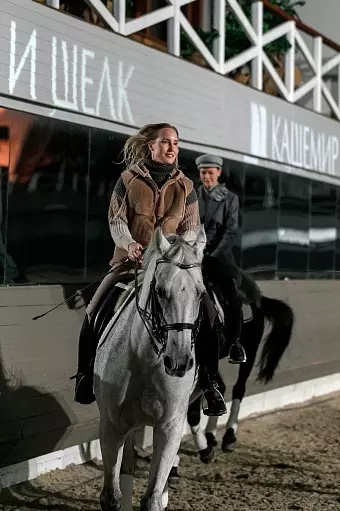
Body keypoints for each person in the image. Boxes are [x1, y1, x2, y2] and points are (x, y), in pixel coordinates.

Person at [72, 123, 227, 416]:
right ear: (150, 145)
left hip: (172, 265)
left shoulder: (187, 187)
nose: (172, 148)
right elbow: (116, 220)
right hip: (132, 263)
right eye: (166, 142)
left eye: (176, 143)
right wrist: (129, 244)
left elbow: (192, 227)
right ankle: (84, 376)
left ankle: (209, 382)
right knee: (94, 310)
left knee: (208, 311)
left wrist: (181, 251)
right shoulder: (127, 180)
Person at [195, 154, 261, 364]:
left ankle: (234, 342)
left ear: (218, 173)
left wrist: (211, 254)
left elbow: (231, 231)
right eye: (203, 172)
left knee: (230, 292)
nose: (206, 176)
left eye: (210, 172)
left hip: (218, 257)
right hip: (191, 252)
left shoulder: (230, 199)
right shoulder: (191, 196)